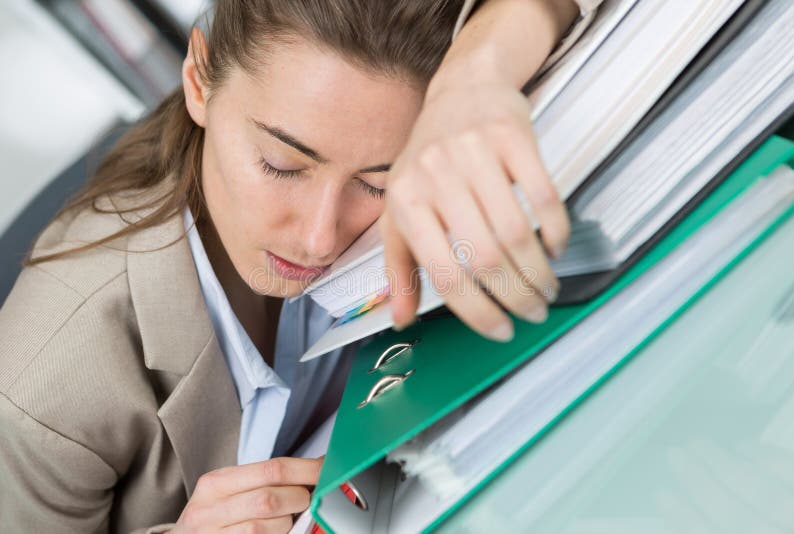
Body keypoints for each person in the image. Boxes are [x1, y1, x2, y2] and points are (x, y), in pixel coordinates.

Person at [0, 0, 600, 532]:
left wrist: (483, 67)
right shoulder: (41, 397)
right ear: (198, 81)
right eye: (282, 164)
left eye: (376, 184)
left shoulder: (446, 113)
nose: (320, 238)